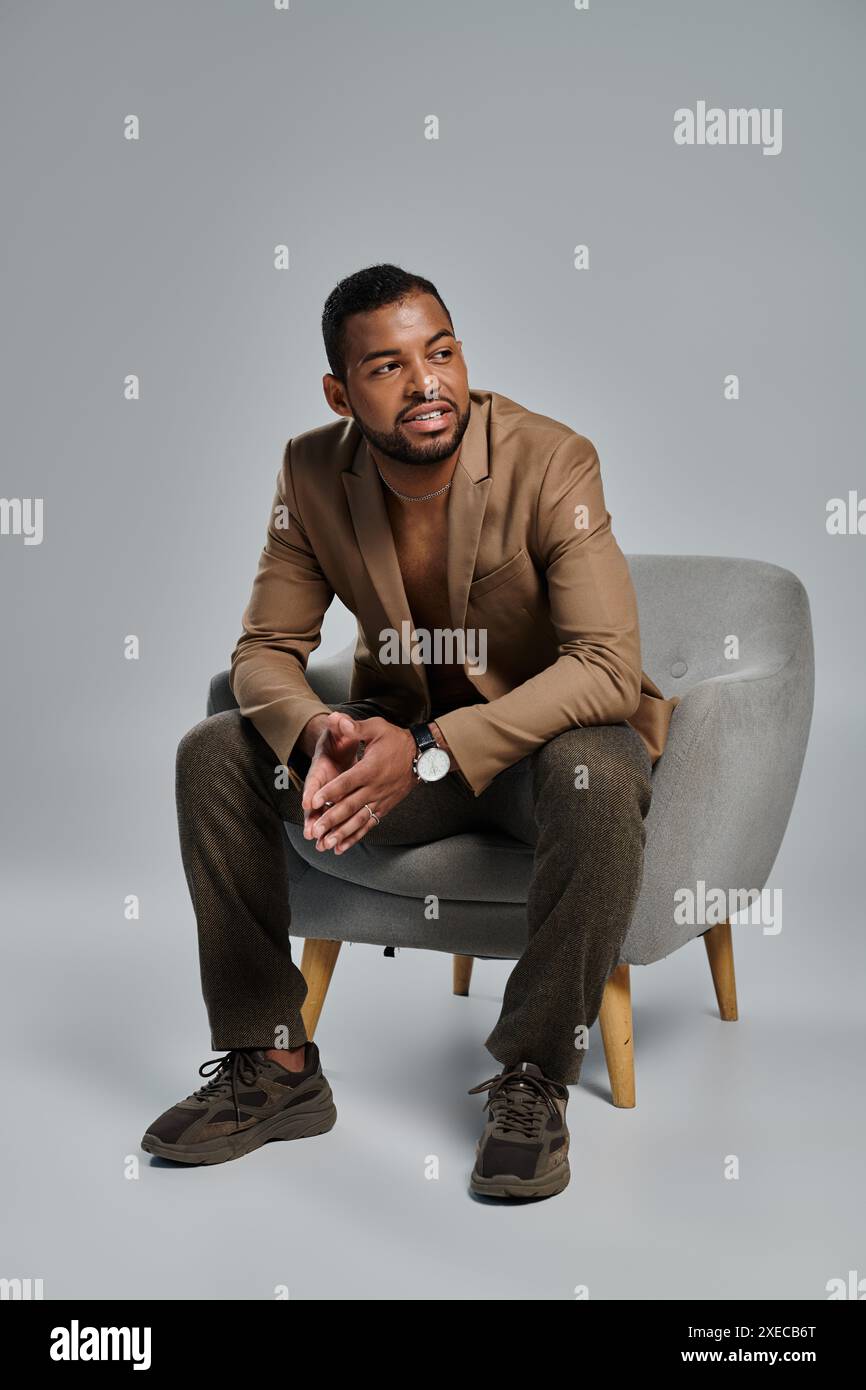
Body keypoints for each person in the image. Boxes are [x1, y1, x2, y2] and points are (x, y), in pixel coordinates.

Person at [141, 263, 678, 1200]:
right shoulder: (312, 472)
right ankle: (275, 1067)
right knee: (214, 751)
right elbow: (264, 650)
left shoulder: (553, 459)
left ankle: (533, 1077)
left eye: (442, 352)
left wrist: (430, 750)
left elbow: (603, 665)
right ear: (339, 394)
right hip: (402, 756)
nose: (427, 382)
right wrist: (318, 735)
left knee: (599, 770)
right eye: (387, 367)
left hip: (542, 757)